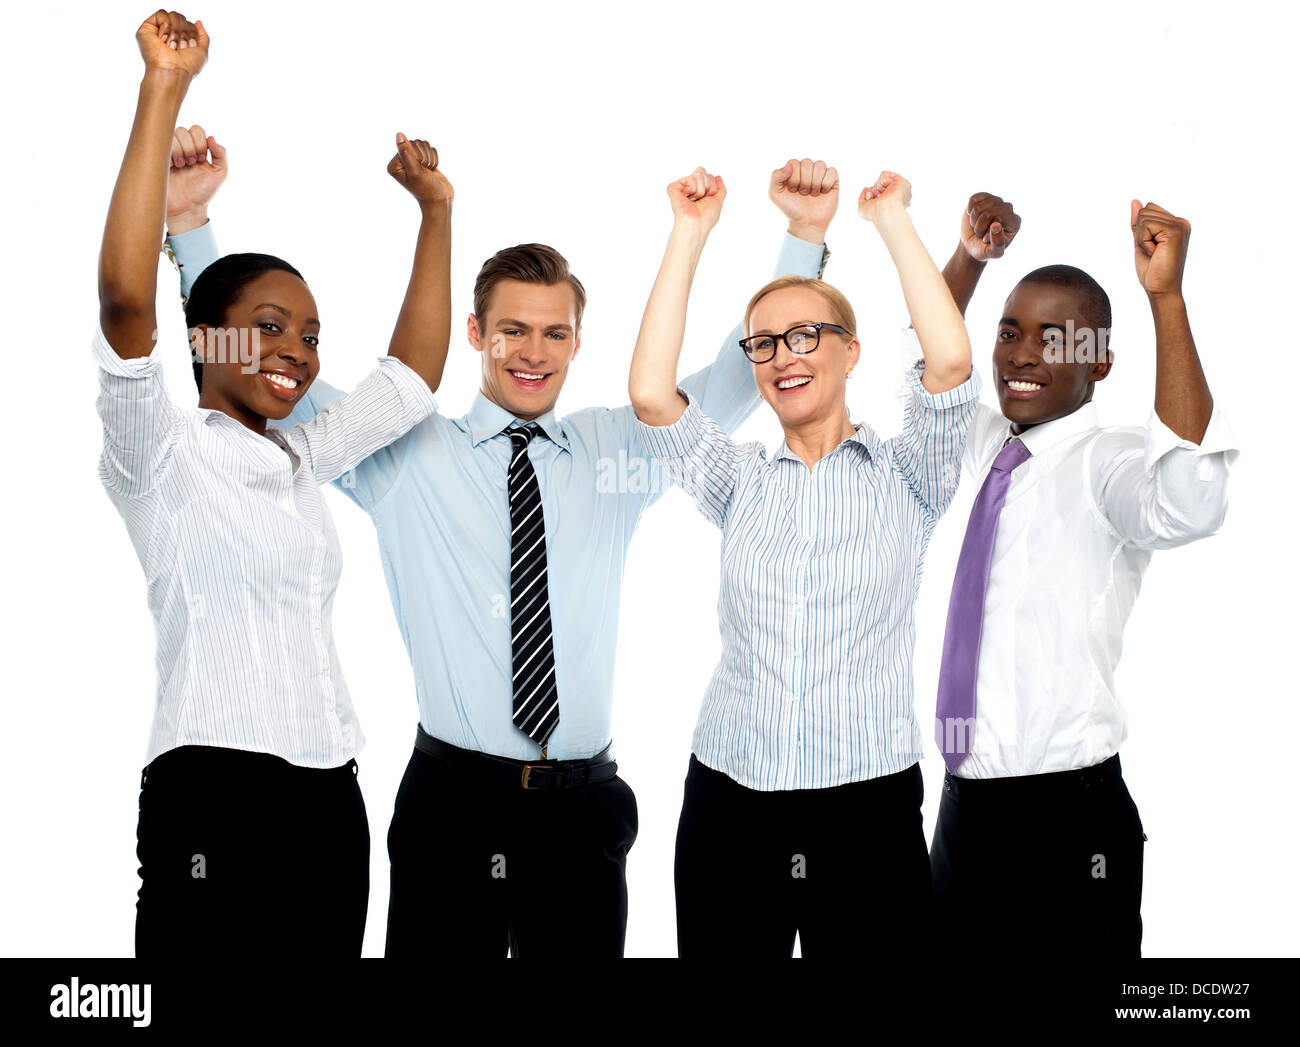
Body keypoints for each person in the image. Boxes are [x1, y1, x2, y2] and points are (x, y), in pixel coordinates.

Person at [163, 143, 840, 954]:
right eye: (513, 329)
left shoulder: (613, 453)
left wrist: (801, 235)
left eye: (555, 333)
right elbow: (271, 377)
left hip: (583, 810)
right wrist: (191, 225)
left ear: (578, 343)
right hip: (453, 805)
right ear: (477, 331)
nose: (533, 351)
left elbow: (729, 385)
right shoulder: (402, 453)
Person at [96, 10, 452, 957]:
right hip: (210, 790)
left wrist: (437, 212)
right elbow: (129, 303)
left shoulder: (305, 461)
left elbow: (412, 380)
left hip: (330, 794)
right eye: (268, 325)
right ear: (208, 340)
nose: (295, 352)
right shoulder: (159, 452)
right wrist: (165, 88)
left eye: (308, 334)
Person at [629, 170, 979, 957]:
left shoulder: (909, 474)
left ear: (851, 352)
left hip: (867, 812)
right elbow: (653, 394)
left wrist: (890, 220)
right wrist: (690, 231)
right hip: (731, 803)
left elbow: (949, 362)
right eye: (763, 343)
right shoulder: (738, 479)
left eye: (805, 336)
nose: (781, 357)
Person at [927, 191, 1237, 958]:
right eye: (1009, 332)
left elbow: (1189, 500)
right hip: (963, 811)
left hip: (1067, 821)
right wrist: (969, 258)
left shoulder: (1110, 463)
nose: (1024, 353)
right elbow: (927, 362)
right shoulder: (985, 443)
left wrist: (1164, 297)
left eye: (1055, 338)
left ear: (1098, 358)